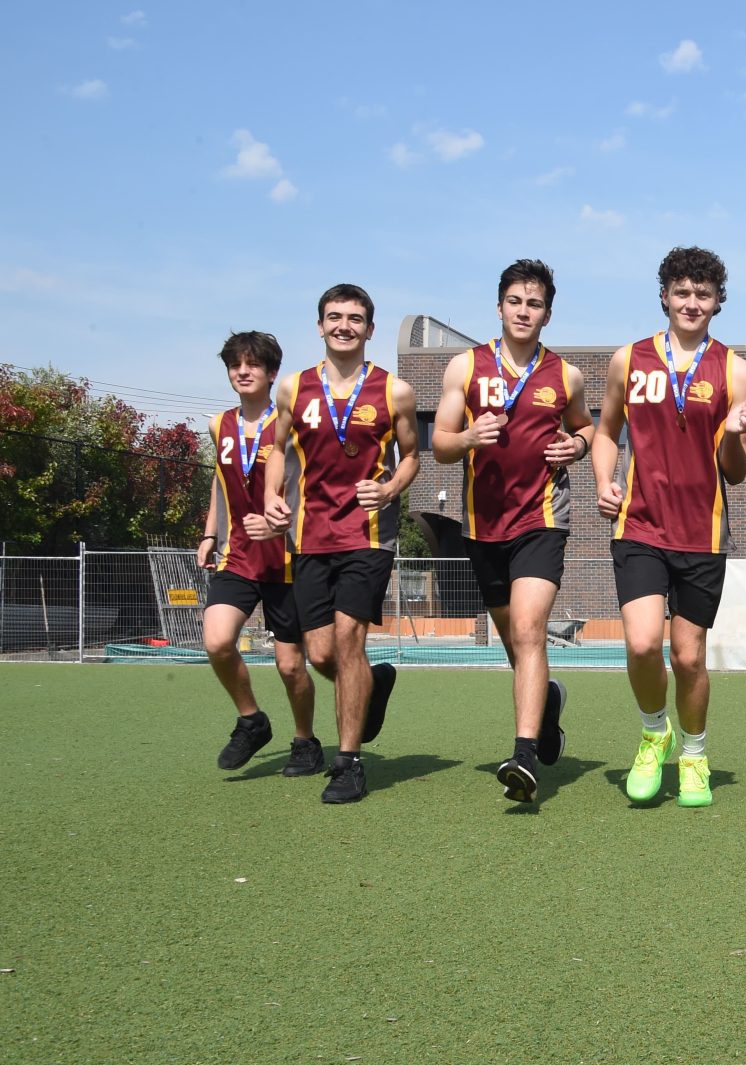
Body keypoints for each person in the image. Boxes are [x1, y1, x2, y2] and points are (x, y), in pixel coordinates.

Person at [594, 247, 746, 809]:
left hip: (702, 535)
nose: (692, 303)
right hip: (639, 526)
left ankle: (693, 754)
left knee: (688, 658)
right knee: (643, 644)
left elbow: (735, 472)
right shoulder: (629, 359)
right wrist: (604, 481)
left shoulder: (736, 370)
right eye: (682, 292)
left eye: (703, 294)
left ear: (718, 302)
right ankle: (652, 734)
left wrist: (733, 433)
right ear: (665, 296)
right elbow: (605, 431)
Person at [432, 259, 593, 804]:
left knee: (528, 630)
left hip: (542, 518)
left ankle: (523, 756)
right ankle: (547, 709)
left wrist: (577, 445)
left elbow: (586, 427)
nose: (524, 312)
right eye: (516, 302)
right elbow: (440, 443)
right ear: (499, 307)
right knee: (515, 642)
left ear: (548, 314)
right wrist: (468, 436)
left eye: (535, 304)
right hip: (484, 525)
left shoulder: (566, 375)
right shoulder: (465, 367)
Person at [262, 284, 419, 804]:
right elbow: (276, 450)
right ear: (320, 326)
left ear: (369, 329)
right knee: (321, 652)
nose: (343, 326)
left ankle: (348, 763)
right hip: (310, 536)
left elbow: (412, 457)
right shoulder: (293, 388)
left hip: (367, 536)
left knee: (349, 640)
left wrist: (390, 489)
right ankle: (372, 685)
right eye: (334, 317)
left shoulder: (394, 391)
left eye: (354, 318)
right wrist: (272, 497)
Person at [198, 330, 319, 778]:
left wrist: (282, 523)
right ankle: (252, 721)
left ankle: (305, 741)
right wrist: (210, 533)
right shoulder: (219, 425)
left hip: (286, 560)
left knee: (290, 666)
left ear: (272, 373)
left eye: (252, 365)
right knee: (217, 641)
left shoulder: (289, 425)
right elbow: (220, 482)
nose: (243, 372)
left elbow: (308, 487)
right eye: (235, 365)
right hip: (237, 556)